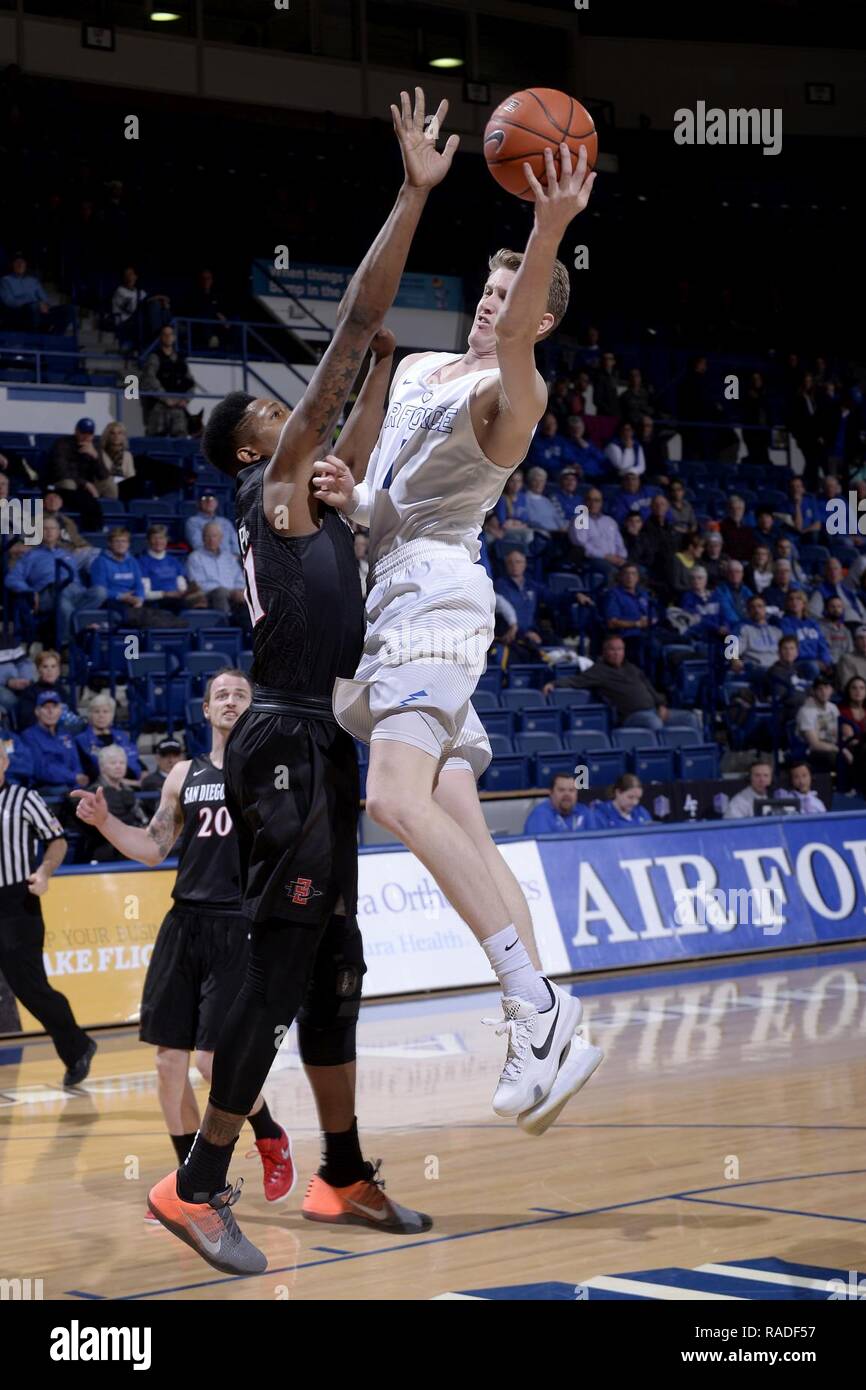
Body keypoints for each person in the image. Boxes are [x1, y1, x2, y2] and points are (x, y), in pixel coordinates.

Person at [144, 88, 458, 1274]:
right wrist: (410, 198)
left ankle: (339, 1171)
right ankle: (196, 1184)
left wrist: (380, 374)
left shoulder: (324, 506)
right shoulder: (274, 494)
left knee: (337, 963)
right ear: (252, 448)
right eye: (286, 419)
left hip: (323, 739)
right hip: (277, 740)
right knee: (280, 963)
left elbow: (360, 427)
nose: (312, 430)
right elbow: (346, 347)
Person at [314, 140, 605, 1139]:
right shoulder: (427, 369)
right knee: (459, 822)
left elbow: (519, 331)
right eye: (483, 291)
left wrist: (547, 224)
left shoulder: (513, 394)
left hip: (435, 601)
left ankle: (538, 1002)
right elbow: (385, 499)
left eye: (509, 294)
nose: (490, 304)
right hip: (382, 588)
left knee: (390, 796)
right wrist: (354, 497)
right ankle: (543, 1023)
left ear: (540, 317)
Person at [73, 671, 295, 1211]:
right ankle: (190, 1188)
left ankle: (269, 1135)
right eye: (222, 694)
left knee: (209, 1062)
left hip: (236, 926)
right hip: (184, 924)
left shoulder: (272, 775)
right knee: (168, 1063)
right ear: (205, 710)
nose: (231, 701)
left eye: (242, 695)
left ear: (253, 709)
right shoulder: (181, 776)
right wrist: (104, 823)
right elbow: (152, 848)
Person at [0, 743, 96, 1086]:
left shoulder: (24, 798)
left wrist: (44, 872)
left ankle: (77, 1046)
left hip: (16, 901)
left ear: (5, 761)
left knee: (29, 986)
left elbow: (56, 840)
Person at [544, 634, 699, 732]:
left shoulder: (632, 668)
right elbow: (576, 681)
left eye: (620, 649)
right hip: (632, 716)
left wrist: (661, 706)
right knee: (654, 723)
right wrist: (554, 684)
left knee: (690, 718)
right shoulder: (599, 670)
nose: (617, 653)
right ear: (604, 652)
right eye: (613, 649)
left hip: (655, 711)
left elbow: (650, 689)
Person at [4, 515, 107, 645]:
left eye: (52, 528)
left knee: (100, 591)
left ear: (58, 533)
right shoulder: (30, 555)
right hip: (47, 593)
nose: (49, 531)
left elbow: (77, 579)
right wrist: (29, 591)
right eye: (45, 528)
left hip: (74, 591)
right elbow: (11, 579)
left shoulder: (67, 554)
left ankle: (72, 630)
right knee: (63, 601)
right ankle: (66, 644)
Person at [21, 692, 90, 795]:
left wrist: (78, 780)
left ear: (60, 710)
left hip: (72, 784)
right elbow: (41, 770)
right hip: (46, 787)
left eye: (54, 707)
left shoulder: (66, 735)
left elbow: (76, 764)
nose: (50, 711)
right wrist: (73, 777)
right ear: (37, 712)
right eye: (45, 707)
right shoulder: (29, 736)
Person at [45, 418, 104, 530]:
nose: (86, 437)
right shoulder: (63, 443)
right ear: (76, 431)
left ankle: (109, 513)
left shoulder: (96, 446)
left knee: (110, 486)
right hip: (68, 484)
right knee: (69, 484)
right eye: (83, 433)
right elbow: (61, 471)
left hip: (89, 485)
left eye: (89, 433)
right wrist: (85, 484)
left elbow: (103, 474)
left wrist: (96, 457)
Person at [185, 521, 248, 621]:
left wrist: (239, 591)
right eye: (207, 536)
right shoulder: (195, 557)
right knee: (221, 592)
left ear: (221, 538)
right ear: (202, 538)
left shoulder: (229, 557)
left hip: (234, 595)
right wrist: (230, 592)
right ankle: (225, 624)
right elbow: (197, 584)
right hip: (209, 595)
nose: (211, 540)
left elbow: (239, 580)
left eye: (214, 536)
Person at [141, 325, 196, 437]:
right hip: (158, 407)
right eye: (165, 334)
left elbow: (190, 382)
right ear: (161, 337)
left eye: (170, 334)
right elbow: (149, 379)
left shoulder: (180, 359)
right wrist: (166, 398)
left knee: (180, 441)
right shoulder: (154, 357)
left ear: (174, 337)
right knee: (157, 440)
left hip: (178, 409)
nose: (168, 337)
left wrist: (185, 399)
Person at [75, 692, 142, 783]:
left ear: (112, 715)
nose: (101, 715)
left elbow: (134, 761)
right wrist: (123, 781)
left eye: (105, 711)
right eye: (96, 711)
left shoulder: (123, 736)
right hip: (100, 785)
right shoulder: (81, 740)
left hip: (130, 784)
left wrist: (143, 771)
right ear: (90, 715)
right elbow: (91, 770)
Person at [138, 524, 191, 612]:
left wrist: (182, 593)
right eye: (154, 538)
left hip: (177, 600)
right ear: (148, 541)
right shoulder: (142, 562)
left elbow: (182, 587)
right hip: (156, 602)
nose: (158, 541)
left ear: (167, 540)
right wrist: (166, 594)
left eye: (162, 538)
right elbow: (144, 594)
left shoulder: (174, 561)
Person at [795, 676, 841, 774]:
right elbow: (815, 744)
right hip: (814, 751)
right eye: (820, 689)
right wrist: (839, 749)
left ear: (831, 690)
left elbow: (839, 733)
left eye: (827, 688)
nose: (824, 692)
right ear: (814, 691)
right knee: (838, 758)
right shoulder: (806, 711)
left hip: (834, 746)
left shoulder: (833, 707)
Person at [524, 773, 592, 835]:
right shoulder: (540, 815)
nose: (567, 794)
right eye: (561, 790)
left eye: (571, 790)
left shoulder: (584, 812)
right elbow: (543, 846)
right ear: (551, 793)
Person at [734, 595, 784, 672]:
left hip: (777, 667)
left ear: (765, 609)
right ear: (748, 611)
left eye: (760, 606)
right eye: (752, 607)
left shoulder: (776, 631)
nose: (756, 610)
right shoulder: (743, 629)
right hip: (756, 668)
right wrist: (735, 661)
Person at [95, 421, 136, 500]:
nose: (116, 436)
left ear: (123, 436)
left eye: (119, 433)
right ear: (107, 435)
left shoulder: (127, 455)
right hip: (103, 486)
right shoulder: (100, 453)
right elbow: (101, 475)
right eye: (112, 433)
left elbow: (130, 476)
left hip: (122, 487)